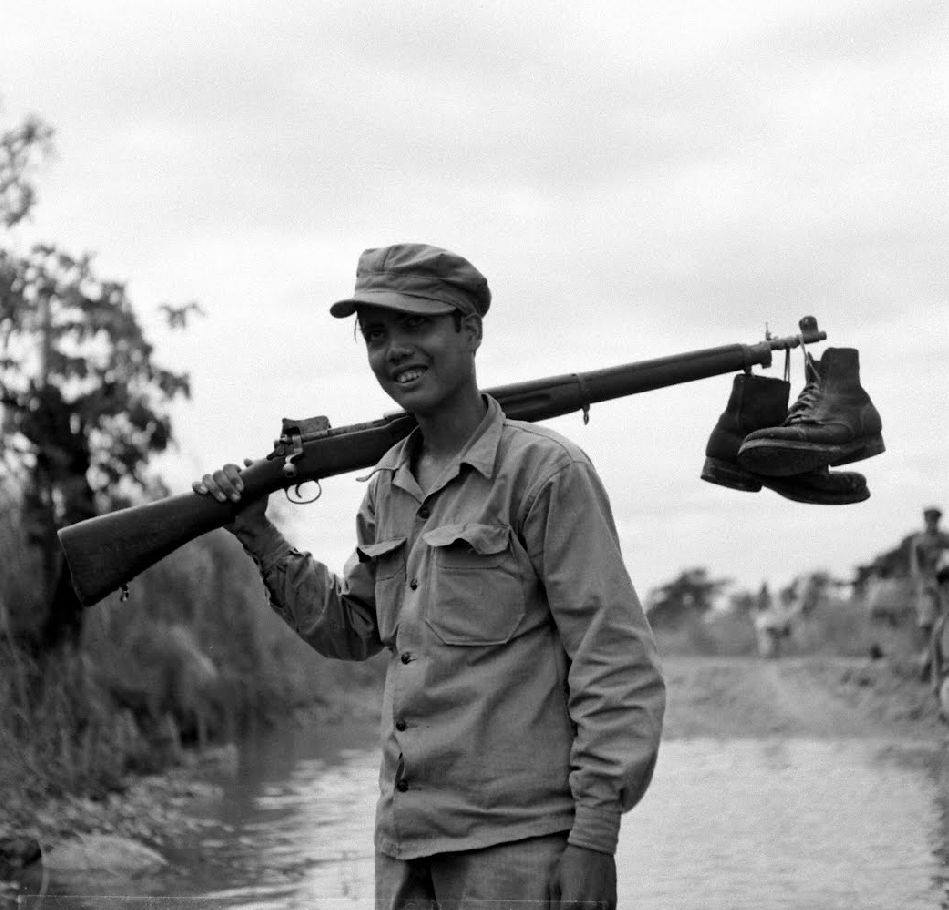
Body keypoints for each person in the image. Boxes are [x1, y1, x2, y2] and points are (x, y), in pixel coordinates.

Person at [194, 243, 665, 909]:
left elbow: (611, 657)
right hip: (405, 847)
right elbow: (353, 629)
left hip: (519, 850)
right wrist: (255, 531)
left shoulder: (544, 473)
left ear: (468, 329)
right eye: (377, 334)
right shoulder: (387, 484)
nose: (395, 351)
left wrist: (594, 839)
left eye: (416, 325)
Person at [910, 506, 949, 680]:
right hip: (926, 590)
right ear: (926, 520)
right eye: (931, 520)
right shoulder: (919, 542)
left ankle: (935, 665)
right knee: (928, 626)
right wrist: (927, 584)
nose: (933, 523)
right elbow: (917, 569)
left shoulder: (945, 539)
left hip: (943, 588)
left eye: (936, 520)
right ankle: (928, 663)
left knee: (943, 626)